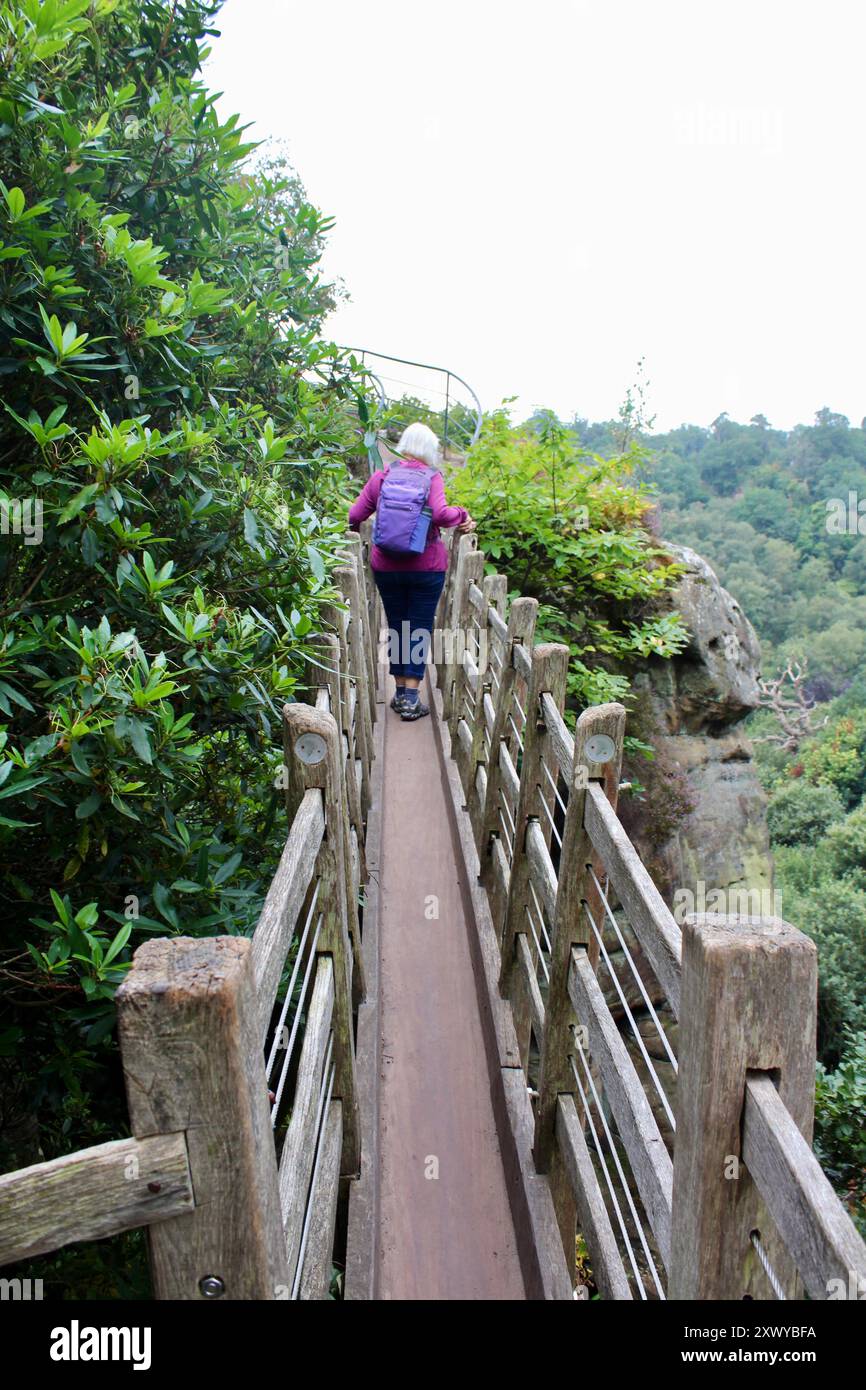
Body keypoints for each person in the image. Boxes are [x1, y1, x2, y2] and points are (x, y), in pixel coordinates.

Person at [348, 422, 476, 720]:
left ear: (404, 444)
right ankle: (411, 699)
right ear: (430, 450)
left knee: (396, 625)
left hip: (386, 566)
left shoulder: (383, 476)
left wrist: (368, 540)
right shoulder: (431, 477)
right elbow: (443, 515)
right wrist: (464, 514)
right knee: (418, 627)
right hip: (426, 567)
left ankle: (399, 691)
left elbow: (355, 515)